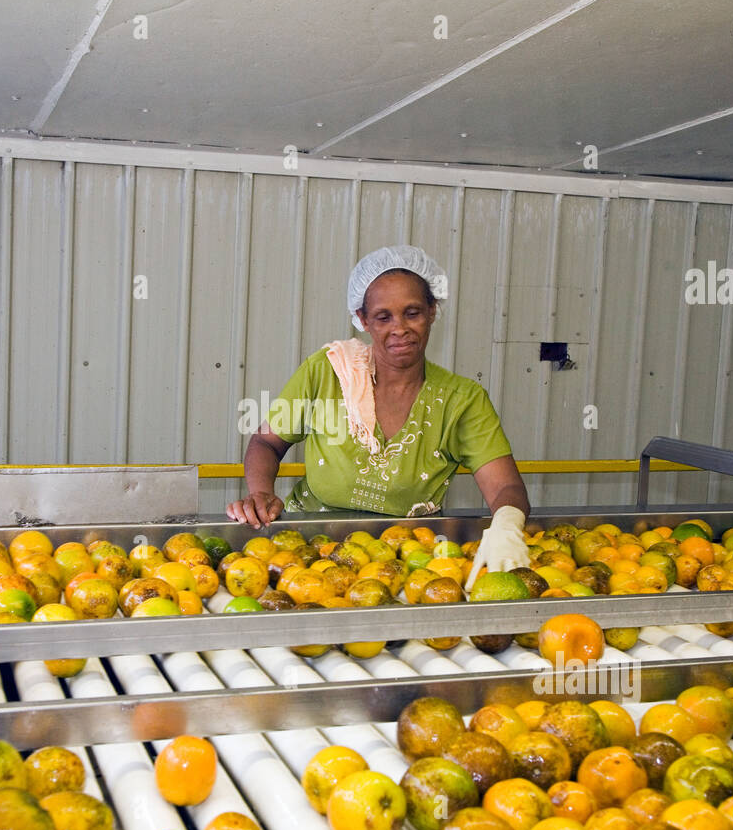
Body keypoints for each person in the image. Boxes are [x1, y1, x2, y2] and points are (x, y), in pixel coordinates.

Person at [225, 245, 531, 585]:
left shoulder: (462, 400)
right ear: (363, 320)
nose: (399, 328)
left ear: (433, 311)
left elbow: (505, 485)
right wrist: (260, 492)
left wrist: (507, 522)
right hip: (307, 555)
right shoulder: (327, 373)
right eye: (384, 317)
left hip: (410, 564)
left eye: (412, 312)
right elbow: (267, 442)